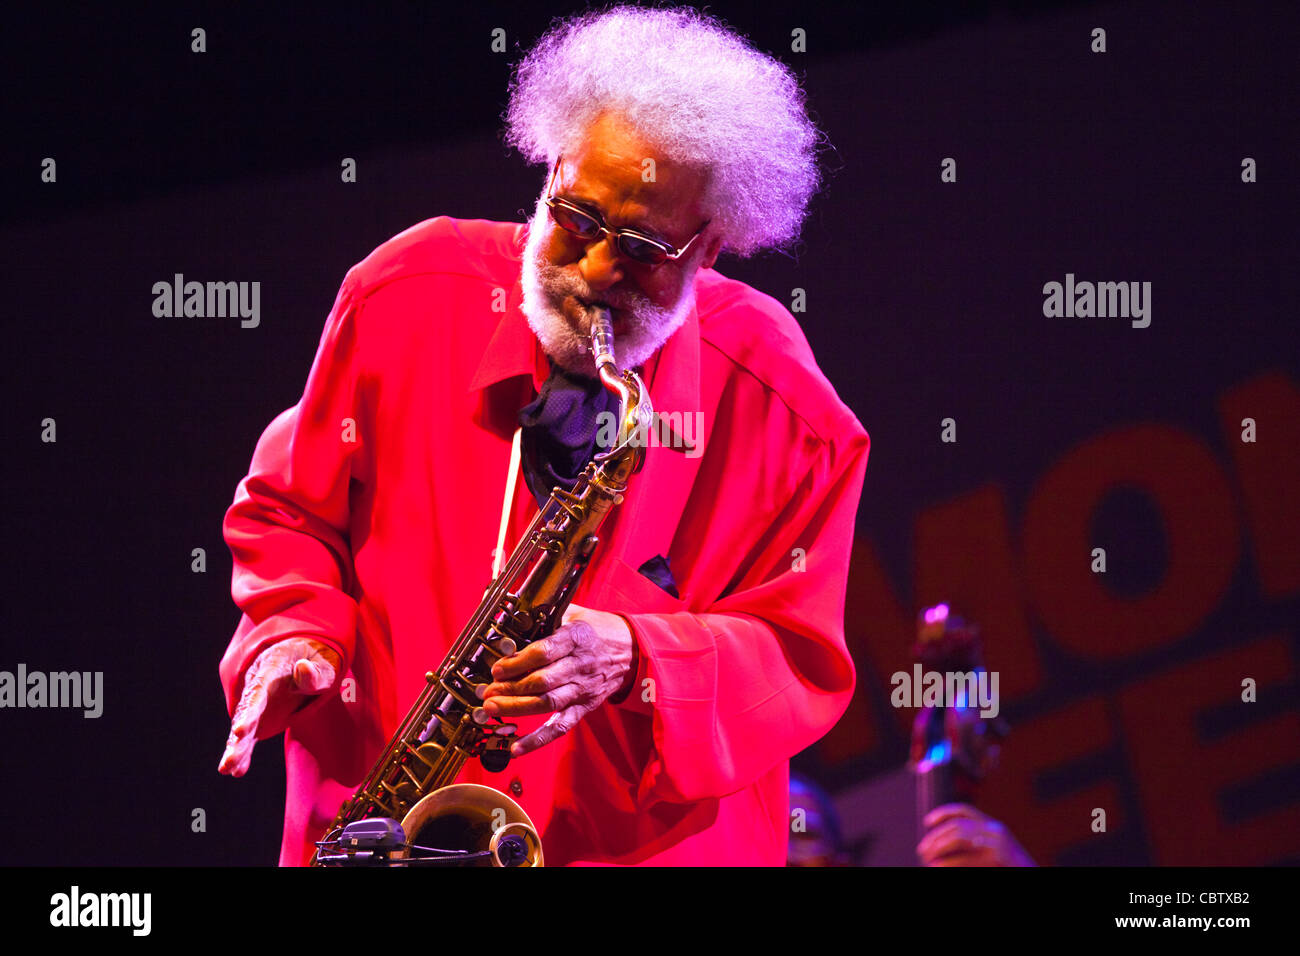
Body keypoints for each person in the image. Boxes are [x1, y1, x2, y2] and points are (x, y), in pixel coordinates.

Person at [217, 5, 870, 867]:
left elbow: (800, 655)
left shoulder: (781, 399)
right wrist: (294, 633)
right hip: (384, 830)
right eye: (579, 219)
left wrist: (636, 654)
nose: (596, 272)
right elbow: (289, 512)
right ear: (550, 168)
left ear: (709, 246)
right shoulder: (402, 294)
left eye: (641, 247)